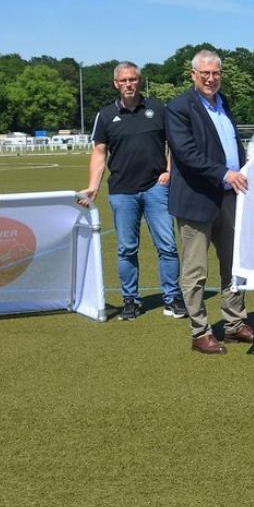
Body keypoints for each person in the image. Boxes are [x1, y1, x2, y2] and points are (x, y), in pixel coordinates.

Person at [165, 50, 254, 354]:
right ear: (193, 75)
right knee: (196, 272)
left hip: (229, 197)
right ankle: (200, 332)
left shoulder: (224, 104)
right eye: (205, 74)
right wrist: (225, 173)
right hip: (196, 200)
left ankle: (235, 324)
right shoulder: (179, 107)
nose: (211, 79)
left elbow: (232, 148)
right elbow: (187, 154)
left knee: (234, 265)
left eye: (216, 73)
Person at [79, 62, 186, 322]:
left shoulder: (158, 109)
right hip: (122, 192)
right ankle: (131, 300)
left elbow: (174, 143)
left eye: (133, 79)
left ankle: (172, 297)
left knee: (168, 246)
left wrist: (169, 172)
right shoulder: (105, 115)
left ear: (140, 81)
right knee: (127, 249)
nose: (129, 84)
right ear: (116, 83)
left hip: (155, 188)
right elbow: (99, 152)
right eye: (124, 80)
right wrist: (93, 185)